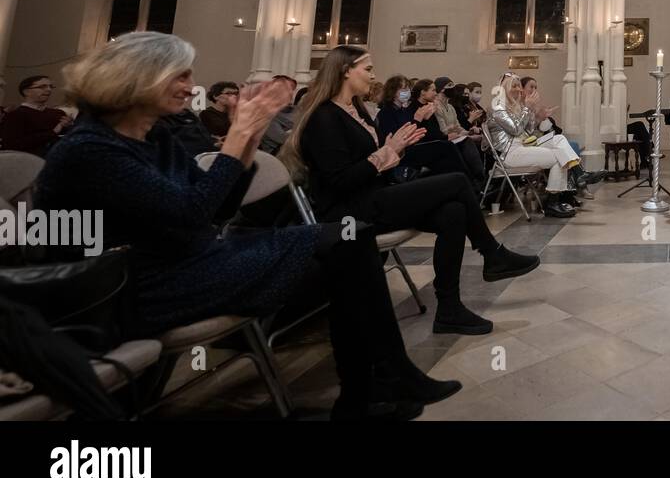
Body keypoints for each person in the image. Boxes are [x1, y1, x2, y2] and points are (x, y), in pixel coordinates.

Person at [32, 32, 461, 421]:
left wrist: (249, 140)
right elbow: (191, 216)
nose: (190, 86)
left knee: (353, 239)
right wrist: (237, 139)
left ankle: (380, 381)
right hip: (139, 288)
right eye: (179, 76)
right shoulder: (88, 150)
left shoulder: (153, 136)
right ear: (135, 80)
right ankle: (370, 390)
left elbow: (215, 210)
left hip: (190, 259)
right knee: (345, 252)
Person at [284, 46, 540, 336]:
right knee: (456, 180)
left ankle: (449, 310)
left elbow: (376, 160)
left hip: (375, 194)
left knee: (453, 212)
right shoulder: (324, 118)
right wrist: (385, 153)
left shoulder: (356, 111)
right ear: (344, 71)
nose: (373, 75)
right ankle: (492, 254)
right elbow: (340, 181)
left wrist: (397, 149)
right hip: (350, 212)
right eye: (367, 69)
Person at [487, 74, 602, 217]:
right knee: (558, 157)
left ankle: (578, 175)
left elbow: (528, 131)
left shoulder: (515, 106)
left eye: (518, 86)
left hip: (523, 147)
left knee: (559, 139)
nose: (518, 90)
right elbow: (515, 130)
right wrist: (527, 108)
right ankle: (553, 202)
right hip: (509, 153)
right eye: (514, 86)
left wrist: (537, 116)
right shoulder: (497, 107)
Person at [427, 80, 486, 186]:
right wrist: (460, 132)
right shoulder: (436, 107)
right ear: (441, 90)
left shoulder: (450, 107)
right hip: (446, 140)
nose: (453, 88)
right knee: (468, 143)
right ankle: (478, 177)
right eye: (449, 86)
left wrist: (468, 132)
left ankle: (479, 177)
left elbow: (458, 127)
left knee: (478, 140)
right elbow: (443, 130)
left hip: (456, 137)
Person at [1, 75, 71, 157]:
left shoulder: (58, 113)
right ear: (26, 91)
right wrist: (53, 132)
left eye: (50, 86)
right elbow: (12, 145)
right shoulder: (15, 115)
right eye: (42, 87)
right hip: (31, 162)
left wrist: (69, 127)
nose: (49, 89)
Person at [258, 74, 300, 155]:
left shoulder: (298, 109)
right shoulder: (266, 113)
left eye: (292, 89)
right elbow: (283, 139)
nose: (290, 92)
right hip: (278, 157)